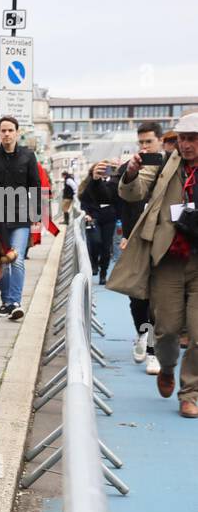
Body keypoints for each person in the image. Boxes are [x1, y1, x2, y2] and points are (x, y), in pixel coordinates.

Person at [112, 112, 198, 418]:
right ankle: (168, 367)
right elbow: (131, 191)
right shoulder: (165, 164)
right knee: (167, 329)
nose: (186, 146)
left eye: (192, 139)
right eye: (182, 139)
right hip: (169, 259)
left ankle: (190, 392)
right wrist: (132, 173)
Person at [0, 115, 43, 320]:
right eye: (3, 130)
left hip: (21, 217)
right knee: (2, 261)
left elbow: (35, 185)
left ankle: (15, 301)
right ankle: (5, 302)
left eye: (10, 130)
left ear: (17, 132)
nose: (7, 134)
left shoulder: (28, 156)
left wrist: (36, 213)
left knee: (16, 259)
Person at [119, 122, 166, 373]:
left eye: (149, 142)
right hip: (135, 241)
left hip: (162, 242)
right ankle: (145, 338)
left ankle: (152, 349)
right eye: (142, 143)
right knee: (137, 297)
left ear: (160, 140)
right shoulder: (134, 167)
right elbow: (124, 201)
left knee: (158, 299)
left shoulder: (170, 167)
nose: (145, 147)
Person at [78, 159, 123, 283]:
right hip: (94, 217)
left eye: (107, 169)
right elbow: (84, 199)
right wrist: (87, 214)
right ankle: (94, 264)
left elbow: (116, 199)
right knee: (95, 242)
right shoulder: (90, 183)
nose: (104, 172)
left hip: (109, 217)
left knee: (106, 246)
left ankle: (103, 273)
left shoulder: (114, 182)